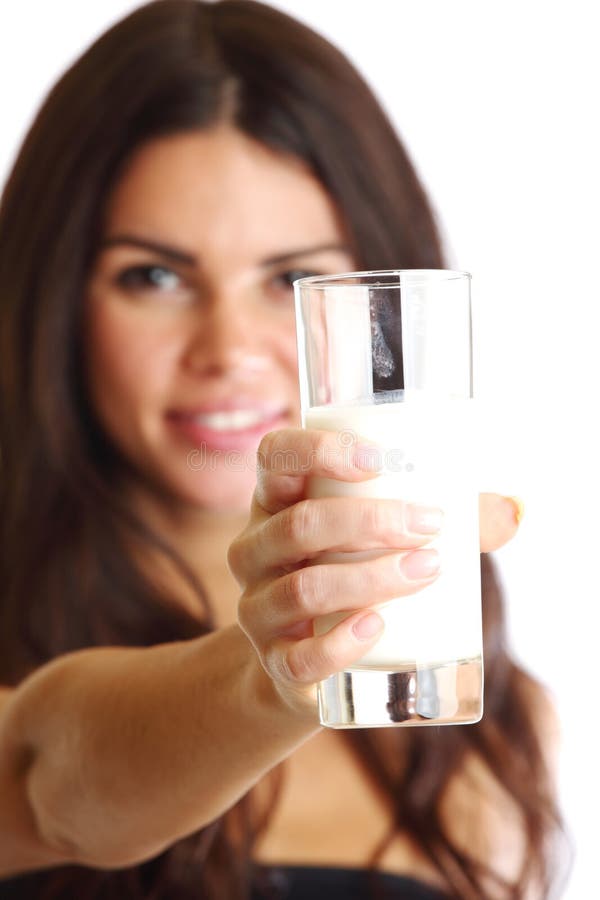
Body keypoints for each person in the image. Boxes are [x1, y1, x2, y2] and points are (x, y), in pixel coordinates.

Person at [0, 1, 567, 898]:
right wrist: (283, 669)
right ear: (56, 301)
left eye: (293, 281)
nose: (226, 348)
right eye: (154, 276)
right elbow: (51, 787)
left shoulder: (487, 724)